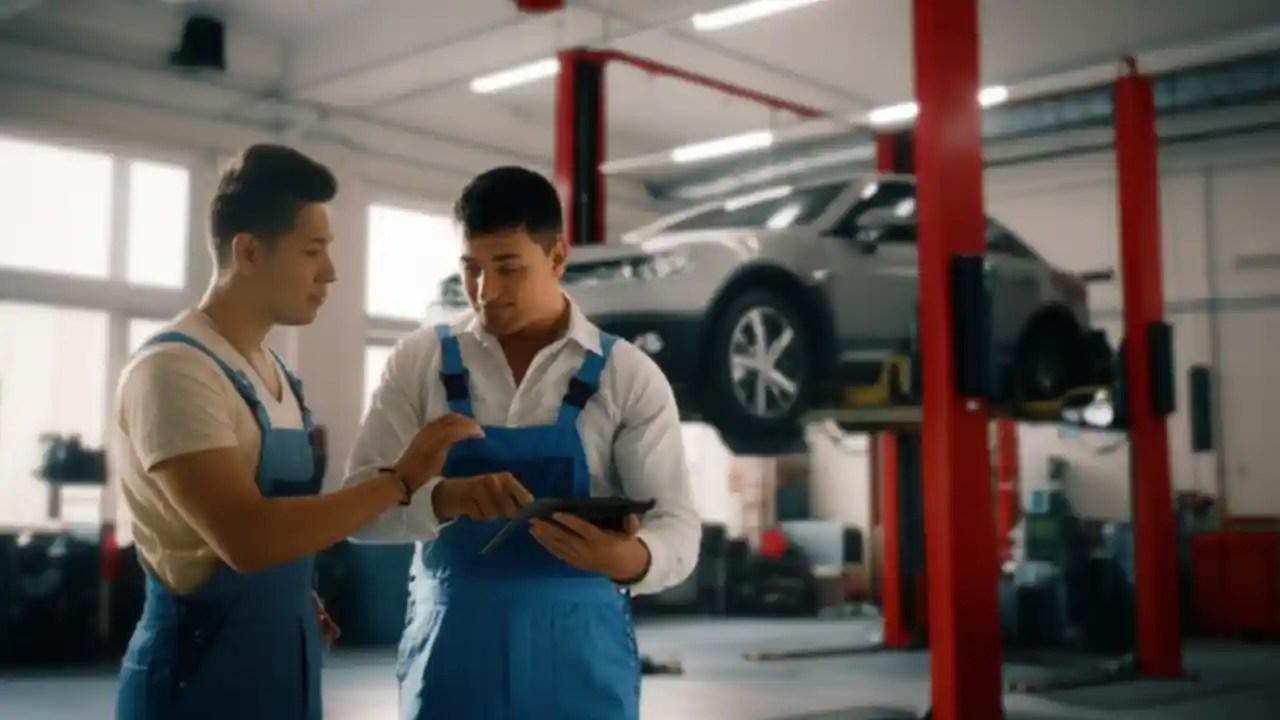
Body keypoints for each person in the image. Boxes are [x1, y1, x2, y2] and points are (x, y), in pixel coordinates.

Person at [111, 144, 482, 720]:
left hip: (285, 667)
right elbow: (246, 538)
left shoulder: (275, 376)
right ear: (250, 252)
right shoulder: (176, 371)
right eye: (313, 251)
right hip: (196, 681)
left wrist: (291, 598)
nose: (329, 272)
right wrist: (400, 479)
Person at [344, 165, 702, 719]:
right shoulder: (421, 363)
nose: (486, 291)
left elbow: (677, 525)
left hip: (583, 663)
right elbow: (358, 510)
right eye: (471, 269)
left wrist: (630, 557)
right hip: (451, 665)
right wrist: (446, 499)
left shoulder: (626, 376)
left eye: (508, 268)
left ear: (557, 257)